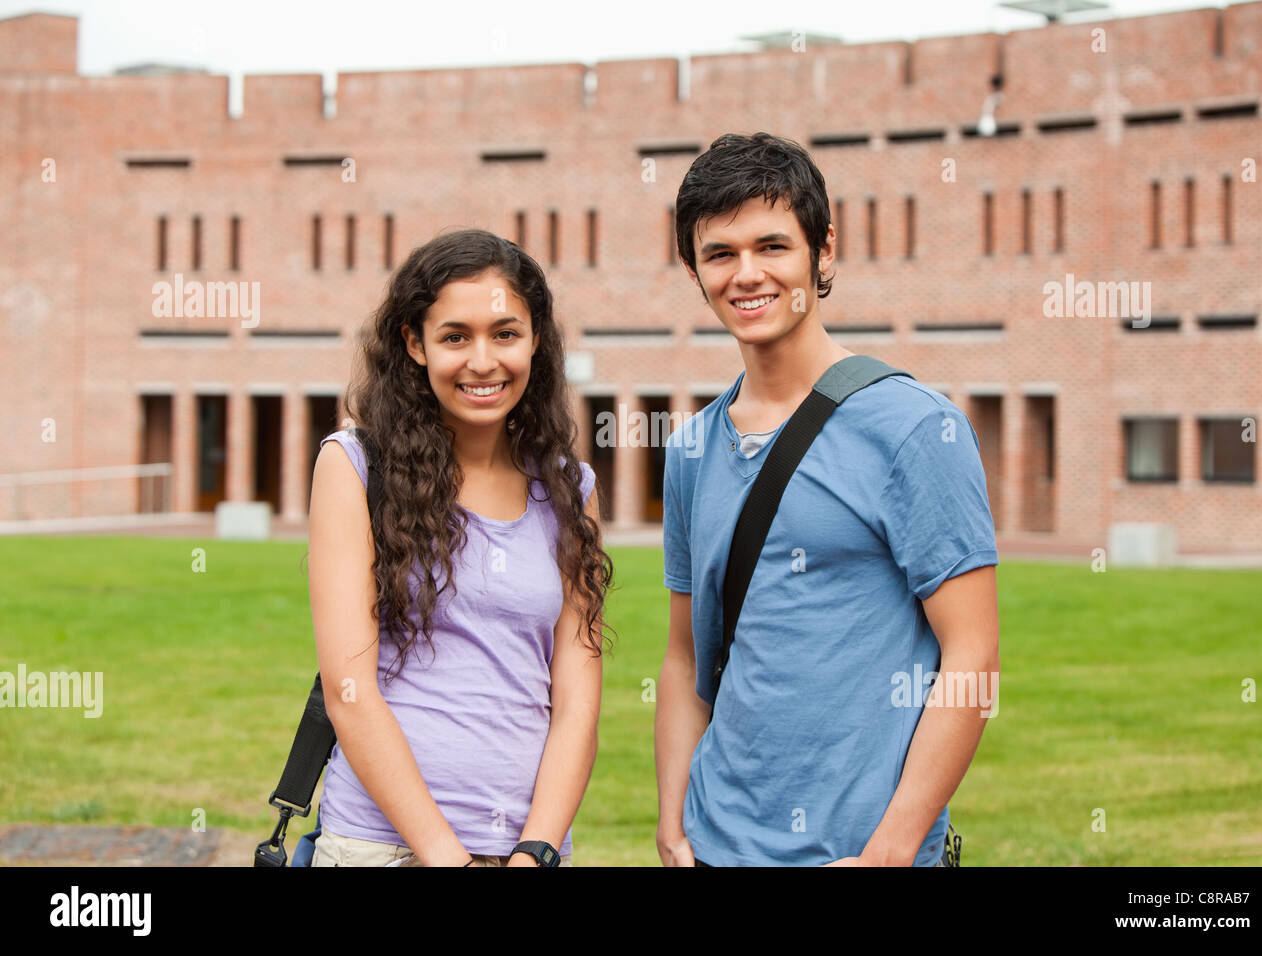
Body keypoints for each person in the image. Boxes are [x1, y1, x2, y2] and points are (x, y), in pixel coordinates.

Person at [654, 132, 1000, 867]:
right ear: (695, 271)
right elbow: (686, 657)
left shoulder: (915, 428)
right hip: (715, 844)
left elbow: (972, 653)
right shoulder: (689, 451)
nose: (746, 275)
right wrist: (671, 822)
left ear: (824, 251)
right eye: (719, 254)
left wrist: (890, 851)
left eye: (772, 246)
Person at [307, 228, 611, 866]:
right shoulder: (355, 465)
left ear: (535, 341)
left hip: (531, 850)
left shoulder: (569, 486)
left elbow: (578, 697)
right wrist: (449, 859)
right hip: (385, 847)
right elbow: (348, 691)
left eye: (505, 333)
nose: (483, 361)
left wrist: (536, 850)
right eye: (454, 336)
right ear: (414, 344)